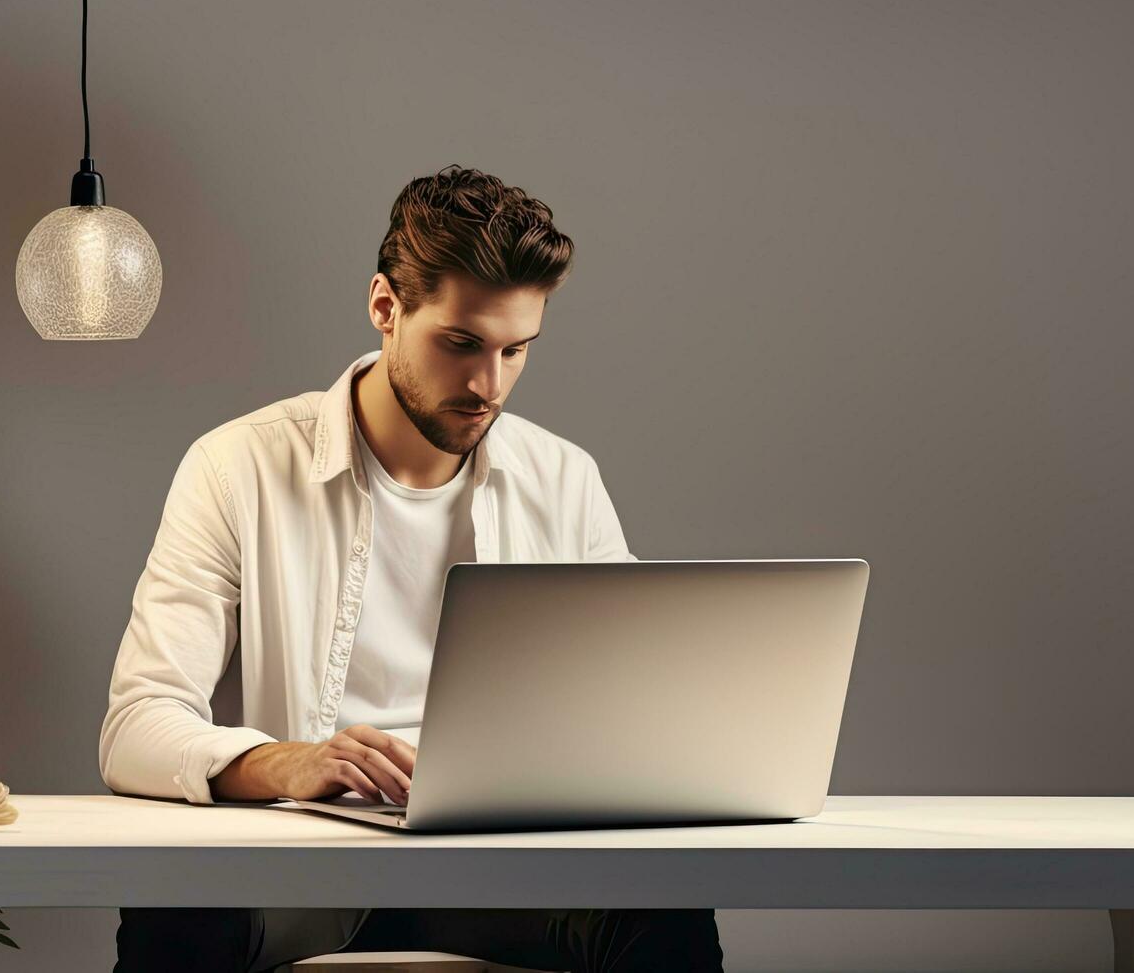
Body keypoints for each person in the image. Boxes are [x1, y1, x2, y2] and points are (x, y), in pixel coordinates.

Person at [100, 164, 724, 972]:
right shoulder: (236, 467)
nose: (487, 385)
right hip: (300, 865)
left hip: (497, 871)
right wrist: (289, 762)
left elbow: (641, 705)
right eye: (460, 344)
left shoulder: (564, 479)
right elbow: (136, 729)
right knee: (174, 906)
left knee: (666, 908)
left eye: (515, 351)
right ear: (384, 308)